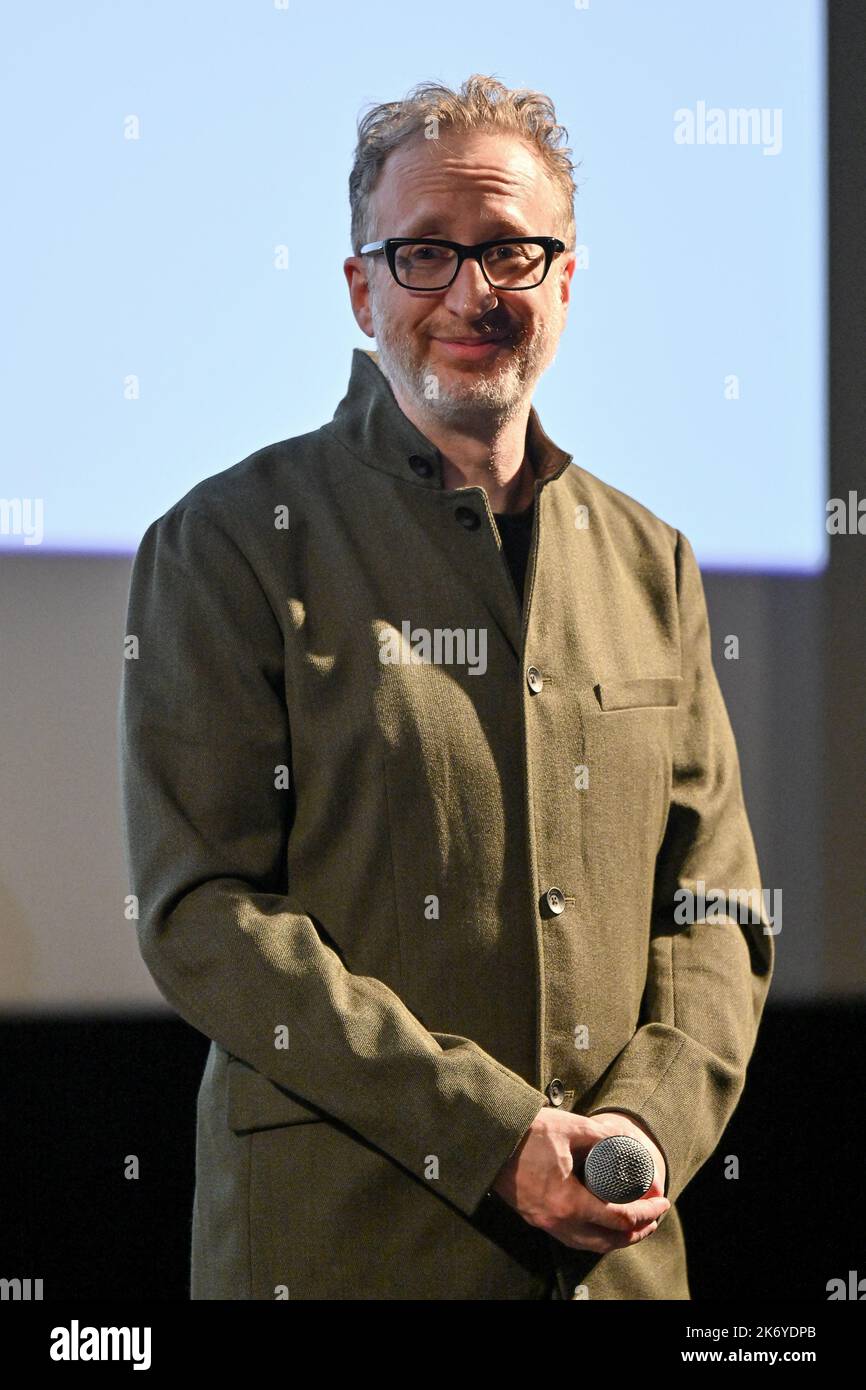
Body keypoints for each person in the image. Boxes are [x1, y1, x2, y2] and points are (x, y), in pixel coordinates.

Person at [118, 74, 774, 1301]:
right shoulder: (228, 543)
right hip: (340, 1254)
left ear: (564, 281)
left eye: (511, 252)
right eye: (425, 253)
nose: (473, 291)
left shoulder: (651, 562)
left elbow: (716, 913)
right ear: (359, 289)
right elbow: (201, 912)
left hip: (618, 1267)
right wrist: (491, 1136)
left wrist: (632, 1138)